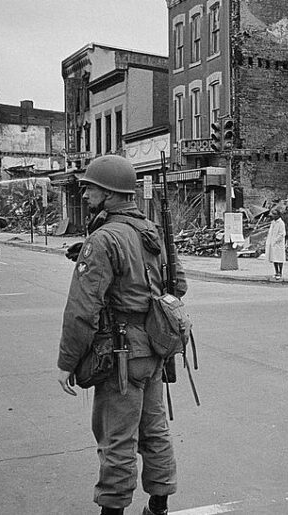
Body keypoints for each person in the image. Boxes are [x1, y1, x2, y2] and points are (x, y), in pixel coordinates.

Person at [56, 155, 187, 515]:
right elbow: (180, 285)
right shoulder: (151, 231)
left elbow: (82, 310)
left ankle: (111, 510)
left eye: (90, 187)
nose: (84, 193)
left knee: (117, 439)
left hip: (122, 354)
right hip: (154, 349)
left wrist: (67, 362)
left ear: (110, 193)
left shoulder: (103, 240)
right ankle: (158, 506)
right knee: (154, 430)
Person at [265, 206, 286, 280]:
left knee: (279, 258)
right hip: (272, 242)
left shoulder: (281, 223)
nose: (273, 216)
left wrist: (276, 241)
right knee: (274, 258)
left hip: (278, 244)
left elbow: (282, 234)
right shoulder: (273, 223)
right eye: (272, 214)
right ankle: (276, 271)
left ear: (278, 215)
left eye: (275, 214)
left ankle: (280, 272)